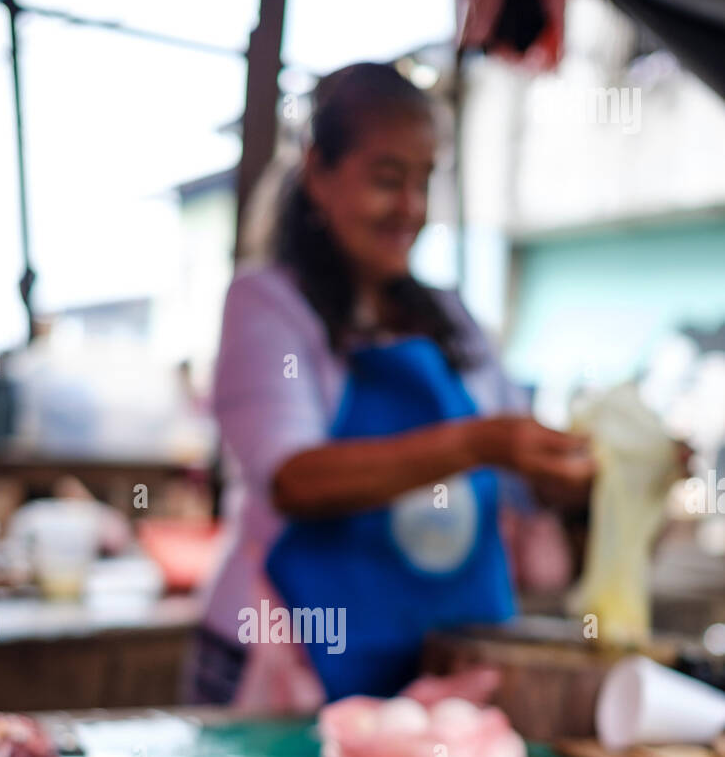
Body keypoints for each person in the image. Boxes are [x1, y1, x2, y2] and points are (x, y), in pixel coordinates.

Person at [188, 61, 592, 709]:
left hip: (427, 674)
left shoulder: (453, 319)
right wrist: (479, 443)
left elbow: (522, 481)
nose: (409, 208)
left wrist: (579, 468)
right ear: (319, 172)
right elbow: (296, 479)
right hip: (286, 669)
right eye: (386, 179)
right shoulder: (268, 304)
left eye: (423, 182)